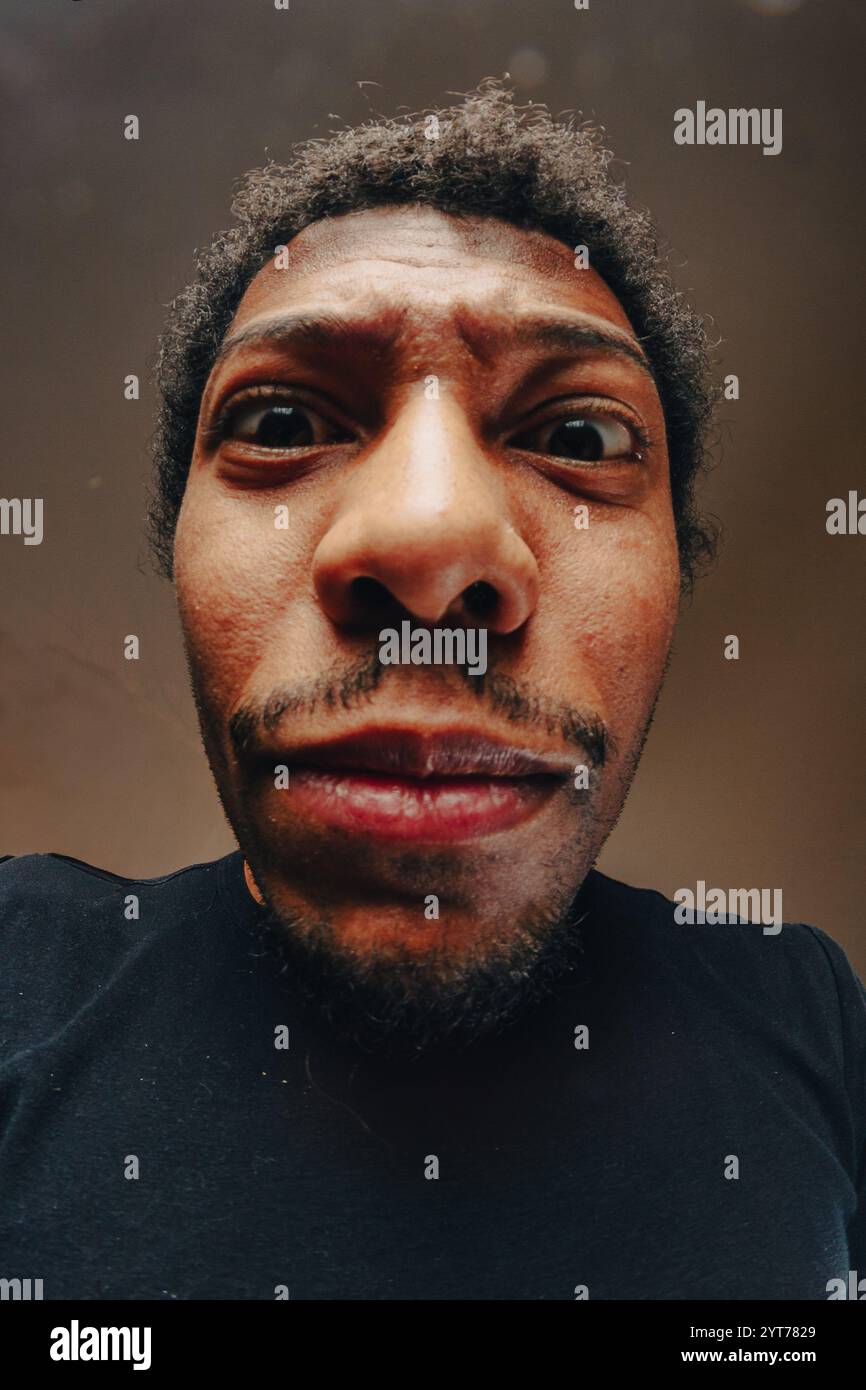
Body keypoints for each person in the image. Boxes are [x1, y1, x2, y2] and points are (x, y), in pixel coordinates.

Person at [1, 83, 863, 1301]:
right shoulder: (17, 974)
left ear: (681, 562)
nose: (429, 541)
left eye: (578, 441)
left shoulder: (801, 1007)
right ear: (173, 543)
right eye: (284, 417)